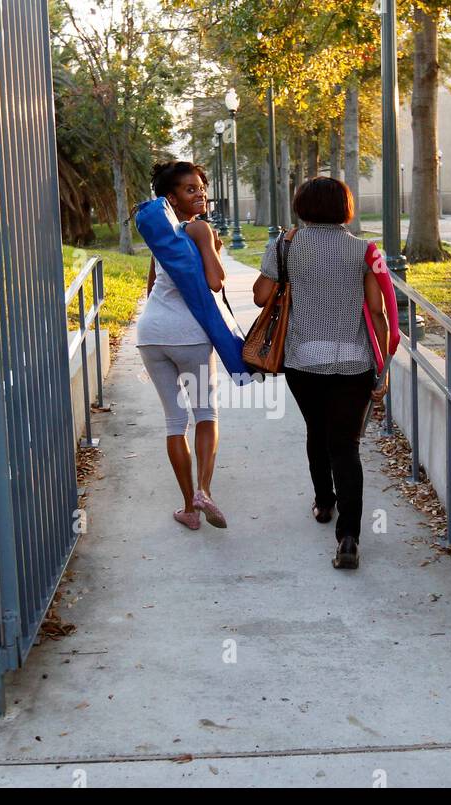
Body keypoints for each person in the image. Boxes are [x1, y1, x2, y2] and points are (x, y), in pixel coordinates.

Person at [252, 177, 389, 569]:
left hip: (303, 360)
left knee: (317, 431)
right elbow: (377, 312)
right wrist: (382, 371)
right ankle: (349, 536)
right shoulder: (364, 250)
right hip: (355, 361)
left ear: (302, 207)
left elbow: (262, 297)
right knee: (345, 444)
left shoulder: (286, 246)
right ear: (345, 208)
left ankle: (323, 502)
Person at [136, 160, 229, 531]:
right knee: (205, 414)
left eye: (201, 187)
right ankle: (203, 492)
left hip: (151, 334)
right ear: (171, 199)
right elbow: (216, 281)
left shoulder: (162, 236)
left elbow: (150, 287)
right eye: (190, 190)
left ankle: (188, 510)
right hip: (189, 335)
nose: (200, 193)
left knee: (175, 422)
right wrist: (214, 246)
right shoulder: (200, 229)